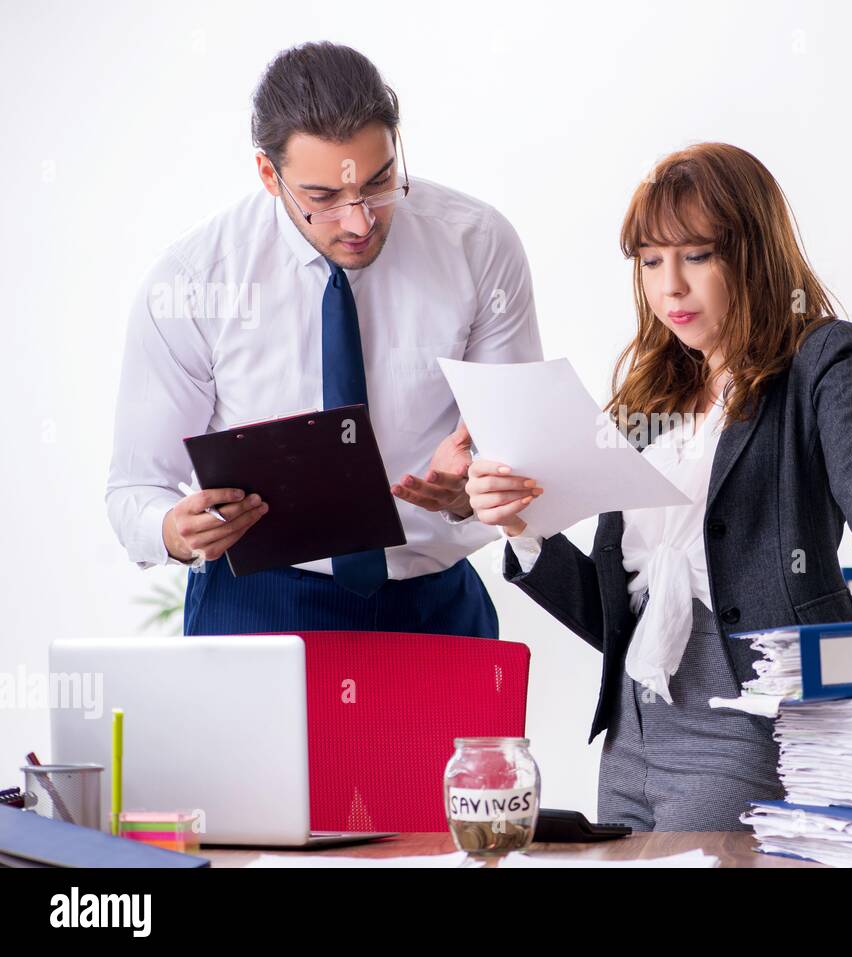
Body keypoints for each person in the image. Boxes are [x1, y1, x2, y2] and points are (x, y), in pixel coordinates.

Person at [461, 143, 852, 831]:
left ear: (752, 253)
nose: (670, 286)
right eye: (650, 260)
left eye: (696, 255)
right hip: (631, 741)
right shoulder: (647, 399)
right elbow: (615, 619)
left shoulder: (822, 360)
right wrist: (522, 531)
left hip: (748, 726)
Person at [106, 41, 541, 637]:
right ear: (269, 174)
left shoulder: (478, 243)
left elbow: (518, 454)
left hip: (435, 603)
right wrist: (173, 532)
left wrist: (471, 491)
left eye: (380, 181)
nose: (359, 221)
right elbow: (135, 489)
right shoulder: (193, 281)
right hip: (255, 605)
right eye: (324, 198)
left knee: (473, 740)